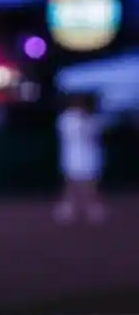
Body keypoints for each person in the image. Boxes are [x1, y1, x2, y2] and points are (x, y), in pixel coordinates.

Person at [54, 93, 106, 224]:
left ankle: (92, 208)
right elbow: (68, 133)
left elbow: (94, 133)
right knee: (71, 183)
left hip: (89, 155)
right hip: (72, 155)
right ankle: (68, 209)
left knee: (90, 184)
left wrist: (86, 120)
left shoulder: (91, 118)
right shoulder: (66, 118)